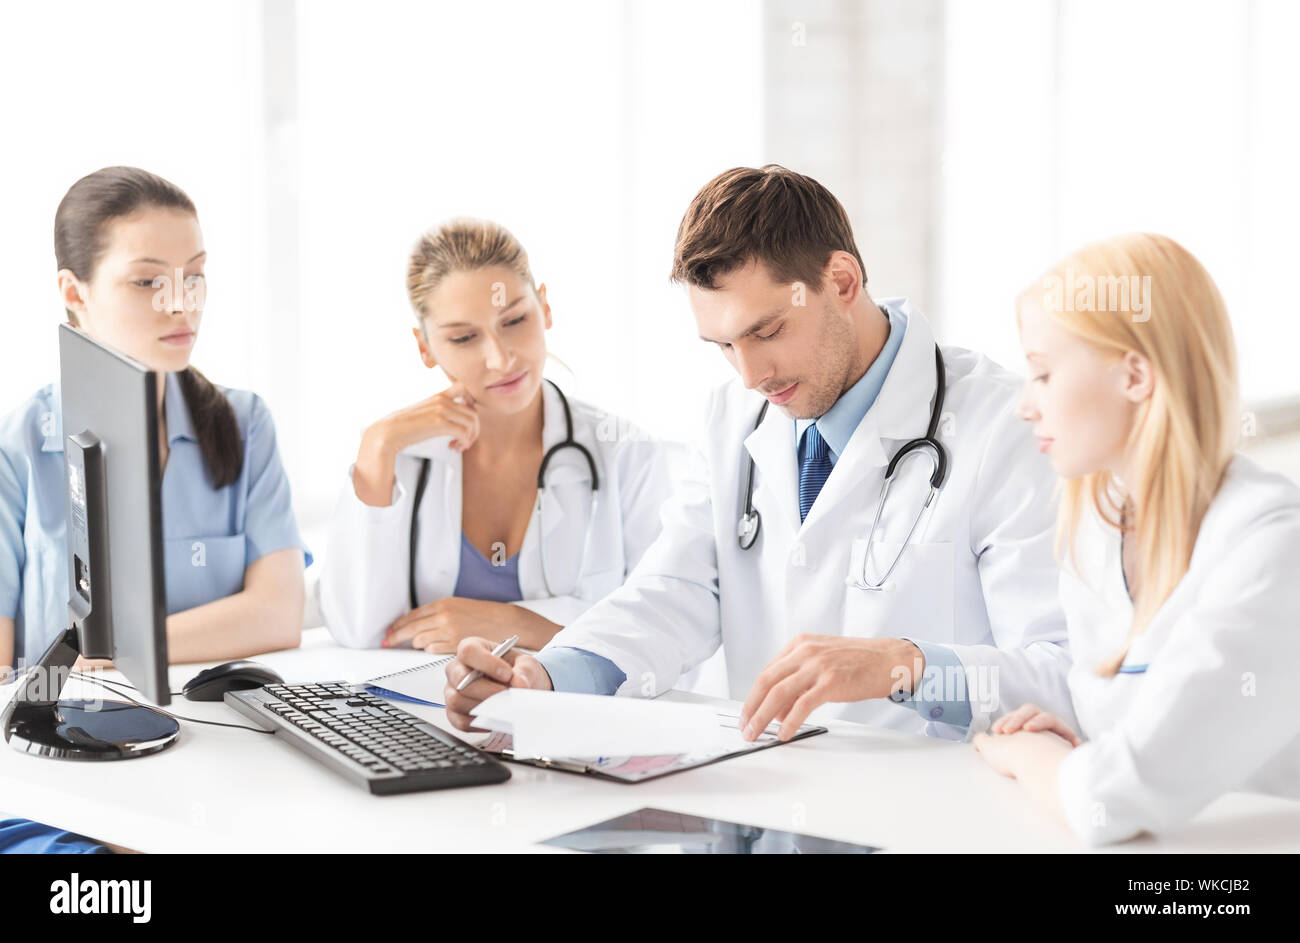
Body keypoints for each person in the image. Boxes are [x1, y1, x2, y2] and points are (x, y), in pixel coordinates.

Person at [442, 164, 1074, 741]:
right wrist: (547, 677)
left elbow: (1061, 674)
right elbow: (674, 591)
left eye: (766, 331)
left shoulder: (1005, 426)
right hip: (766, 800)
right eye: (722, 345)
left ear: (842, 280)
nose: (750, 375)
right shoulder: (733, 417)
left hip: (927, 814)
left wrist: (904, 666)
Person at [0, 166, 310, 853]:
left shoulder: (244, 422)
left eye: (194, 274)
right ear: (73, 294)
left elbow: (278, 612)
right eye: (148, 281)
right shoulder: (19, 446)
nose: (182, 303)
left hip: (218, 762)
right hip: (57, 775)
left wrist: (107, 655)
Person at [973, 233, 1300, 845]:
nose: (1024, 405)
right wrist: (1076, 738)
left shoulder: (1270, 544)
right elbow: (1133, 730)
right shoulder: (1098, 524)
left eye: (1042, 373)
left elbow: (1107, 802)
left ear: (1135, 376)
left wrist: (1029, 758)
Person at [320, 218, 676, 655]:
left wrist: (512, 623)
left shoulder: (627, 455)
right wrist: (377, 448)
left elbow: (663, 637)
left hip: (577, 715)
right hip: (427, 714)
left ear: (544, 307)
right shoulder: (401, 455)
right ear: (425, 347)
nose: (500, 358)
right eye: (464, 337)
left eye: (514, 320)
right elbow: (359, 630)